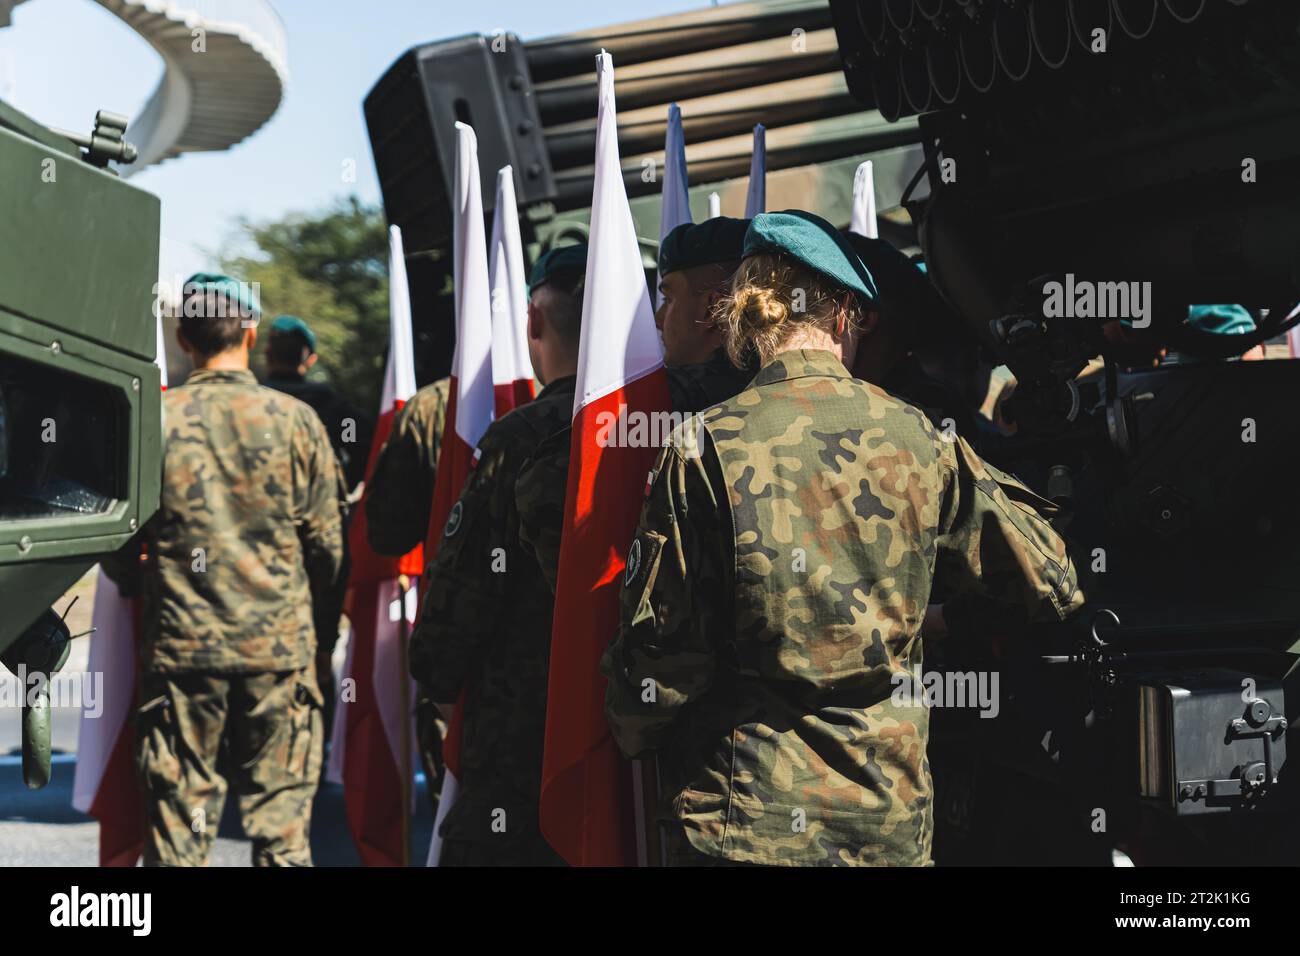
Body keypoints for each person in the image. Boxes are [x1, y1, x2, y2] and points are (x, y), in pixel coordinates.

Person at [600, 212, 1085, 867]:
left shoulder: (702, 445)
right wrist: (937, 619)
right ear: (842, 318)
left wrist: (630, 732)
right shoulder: (921, 436)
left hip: (744, 825)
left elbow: (661, 658)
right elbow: (1051, 582)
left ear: (748, 315)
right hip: (883, 824)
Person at [103, 273, 345, 866]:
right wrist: (319, 634)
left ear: (183, 337)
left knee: (181, 835)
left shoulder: (152, 421)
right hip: (279, 656)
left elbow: (115, 540)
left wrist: (140, 583)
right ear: (252, 332)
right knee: (282, 837)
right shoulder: (296, 422)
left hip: (183, 657)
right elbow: (328, 549)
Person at [407, 244, 589, 866]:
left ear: (533, 323)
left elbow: (457, 601)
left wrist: (435, 675)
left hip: (522, 744)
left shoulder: (522, 436)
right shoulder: (678, 417)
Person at [262, 313, 369, 732]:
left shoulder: (253, 399)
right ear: (309, 357)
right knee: (310, 674)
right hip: (307, 564)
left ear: (267, 352)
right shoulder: (334, 408)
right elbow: (363, 457)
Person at [262, 314, 373, 493]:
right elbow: (360, 444)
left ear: (267, 353)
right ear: (311, 360)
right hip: (315, 510)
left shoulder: (247, 403)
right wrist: (340, 489)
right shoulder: (333, 407)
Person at [656, 217, 758, 410]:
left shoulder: (656, 402)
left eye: (668, 300)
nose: (658, 319)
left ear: (713, 309)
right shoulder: (788, 385)